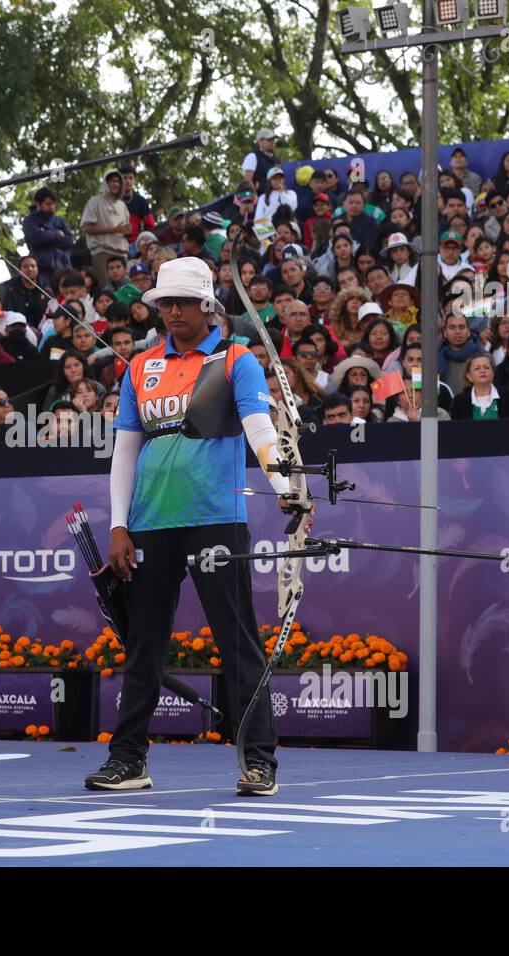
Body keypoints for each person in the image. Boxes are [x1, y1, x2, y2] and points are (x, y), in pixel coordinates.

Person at [87, 256, 294, 798]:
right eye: (163, 303)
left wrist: (287, 491)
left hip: (216, 522)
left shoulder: (234, 359)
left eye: (181, 302)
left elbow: (258, 428)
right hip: (149, 526)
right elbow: (125, 452)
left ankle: (259, 761)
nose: (170, 311)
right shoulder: (140, 365)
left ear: (208, 307)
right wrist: (118, 525)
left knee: (237, 642)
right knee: (143, 647)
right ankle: (128, 760)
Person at [81, 170, 130, 287]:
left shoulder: (122, 205)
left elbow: (124, 229)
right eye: (112, 181)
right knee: (107, 291)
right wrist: (114, 230)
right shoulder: (95, 201)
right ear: (106, 183)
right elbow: (86, 228)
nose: (116, 184)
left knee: (126, 289)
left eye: (118, 181)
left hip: (122, 253)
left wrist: (127, 231)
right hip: (102, 252)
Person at [22, 188, 73, 288]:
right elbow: (36, 238)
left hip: (64, 269)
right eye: (48, 204)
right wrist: (57, 235)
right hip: (43, 271)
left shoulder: (60, 220)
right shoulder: (30, 221)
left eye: (53, 204)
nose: (52, 207)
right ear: (38, 204)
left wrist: (46, 237)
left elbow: (69, 241)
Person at [450, 353, 509, 420]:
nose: (482, 371)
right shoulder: (459, 401)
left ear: (493, 374)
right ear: (469, 376)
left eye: (486, 368)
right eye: (477, 368)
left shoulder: (508, 397)